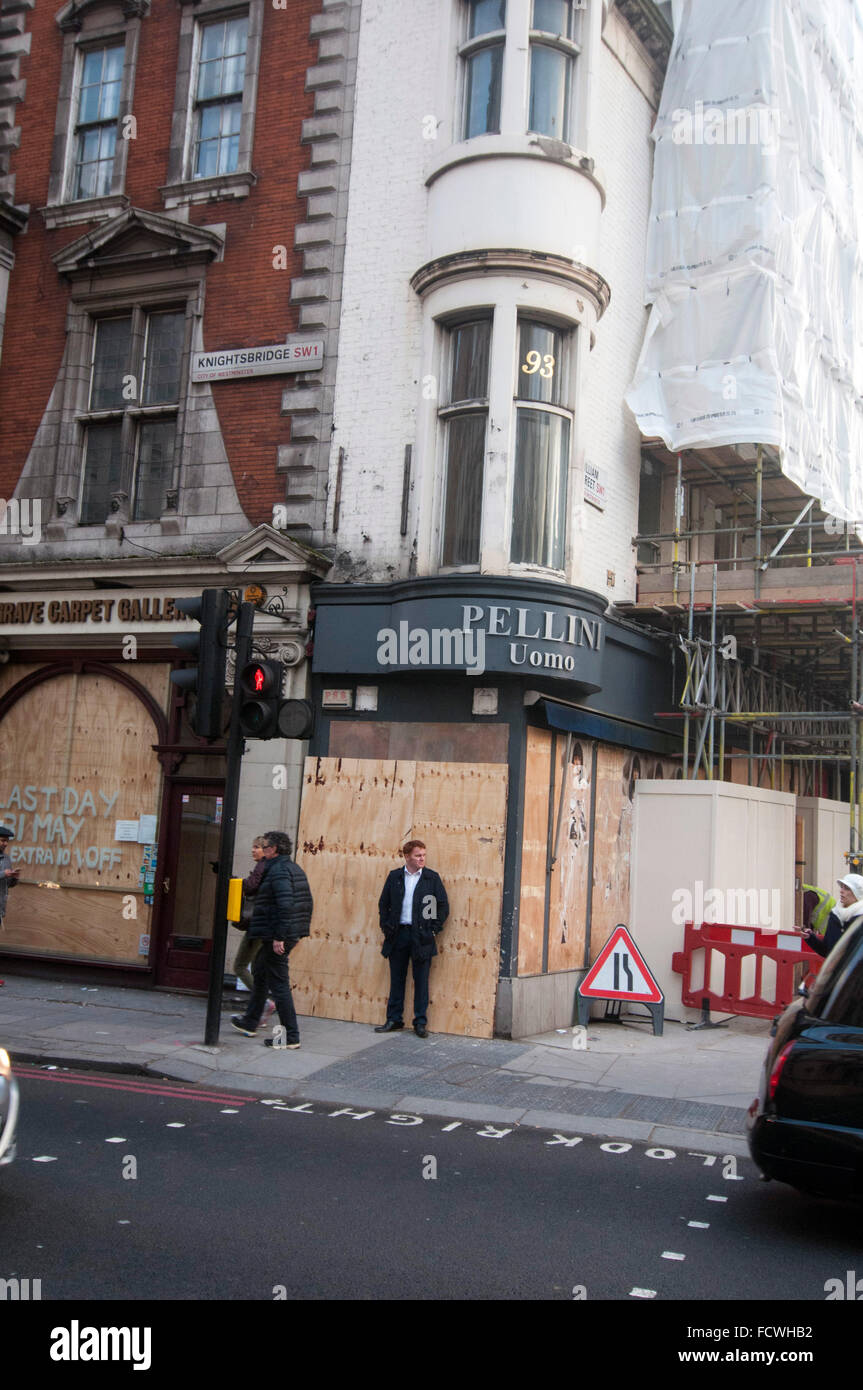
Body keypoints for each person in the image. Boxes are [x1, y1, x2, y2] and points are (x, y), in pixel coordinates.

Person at [230, 831, 312, 1048]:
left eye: (264, 846)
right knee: (259, 971)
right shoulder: (291, 868)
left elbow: (285, 905)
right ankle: (250, 1022)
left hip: (279, 935)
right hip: (279, 933)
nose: (260, 850)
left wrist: (280, 937)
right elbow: (306, 903)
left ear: (274, 849)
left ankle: (290, 1037)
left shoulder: (279, 871)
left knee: (279, 984)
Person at [375, 838, 449, 1038]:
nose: (422, 859)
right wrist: (386, 926)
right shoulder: (395, 877)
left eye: (423, 855)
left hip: (421, 936)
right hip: (398, 934)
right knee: (397, 979)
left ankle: (420, 1022)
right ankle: (394, 1019)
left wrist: (432, 930)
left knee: (421, 981)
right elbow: (383, 904)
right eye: (418, 855)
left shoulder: (431, 878)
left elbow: (441, 906)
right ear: (407, 856)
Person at [232, 837, 276, 1016]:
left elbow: (251, 886)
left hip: (257, 924)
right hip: (265, 924)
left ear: (266, 850)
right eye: (252, 847)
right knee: (258, 966)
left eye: (256, 847)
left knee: (239, 966)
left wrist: (236, 882)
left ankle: (264, 1002)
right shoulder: (271, 867)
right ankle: (259, 1010)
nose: (253, 850)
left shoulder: (262, 866)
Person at [803, 873, 863, 958]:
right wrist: (810, 938)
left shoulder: (860, 919)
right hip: (838, 967)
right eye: (841, 887)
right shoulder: (835, 914)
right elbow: (827, 951)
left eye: (847, 888)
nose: (841, 891)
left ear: (858, 893)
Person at [0, 826, 18, 987]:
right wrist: (3, 874)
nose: (5, 844)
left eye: (6, 841)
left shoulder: (6, 859)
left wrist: (14, 878)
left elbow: (9, 884)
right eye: (2, 840)